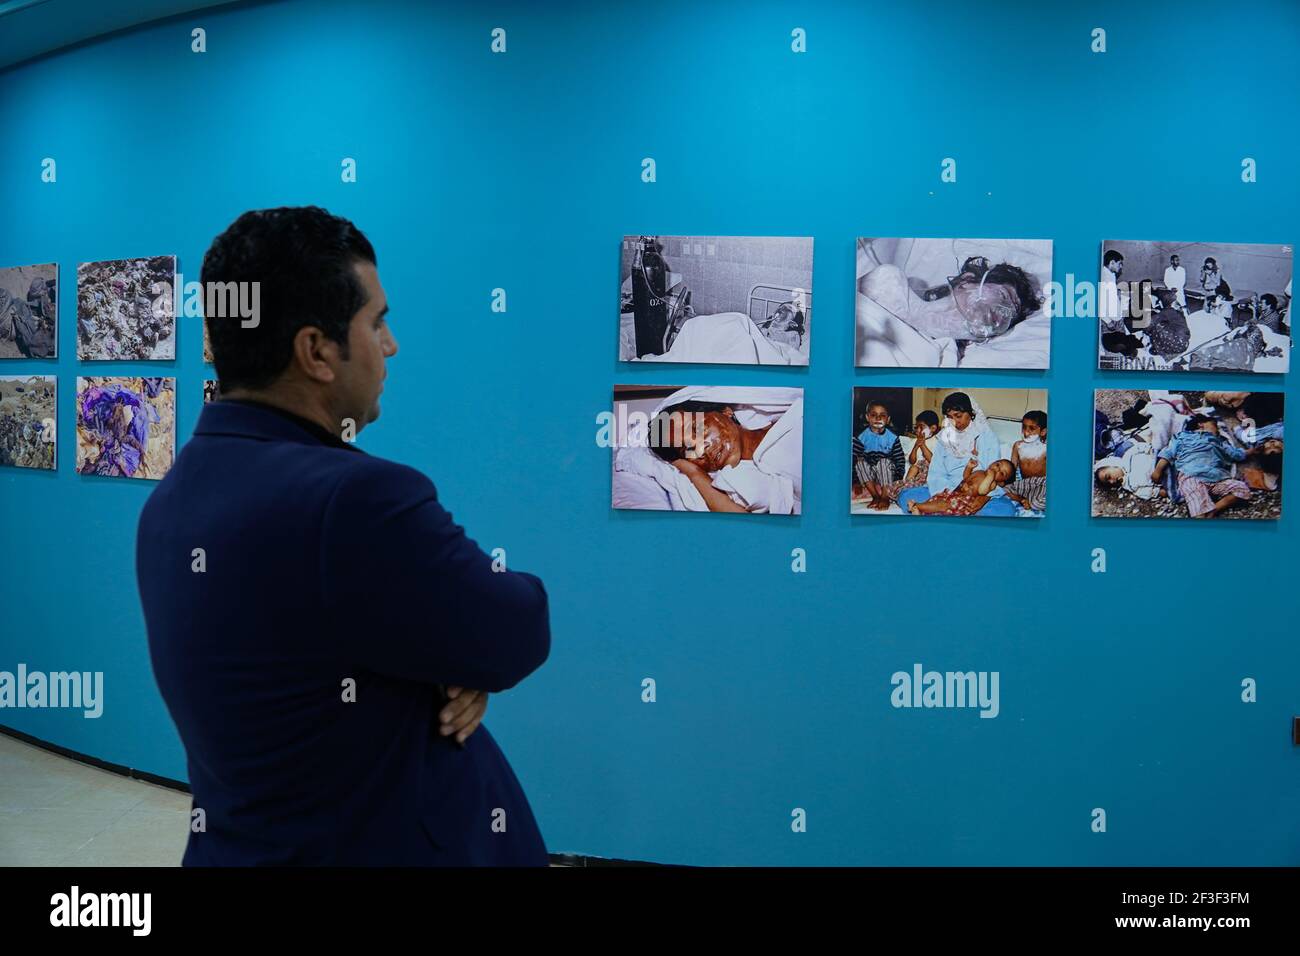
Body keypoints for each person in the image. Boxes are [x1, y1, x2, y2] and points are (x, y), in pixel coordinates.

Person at [136, 207, 552, 865]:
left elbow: (308, 661)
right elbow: (519, 628)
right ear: (317, 351)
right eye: (377, 322)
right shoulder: (355, 501)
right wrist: (461, 658)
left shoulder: (170, 501)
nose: (390, 345)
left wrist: (447, 658)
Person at [648, 398, 803, 514]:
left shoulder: (799, 416)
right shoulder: (742, 481)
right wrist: (693, 472)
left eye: (697, 428)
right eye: (689, 449)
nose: (702, 448)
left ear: (726, 412)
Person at [896, 392, 1017, 516]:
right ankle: (947, 512)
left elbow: (995, 475)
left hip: (978, 492)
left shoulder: (987, 437)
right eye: (949, 417)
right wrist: (948, 494)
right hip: (945, 489)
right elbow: (936, 472)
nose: (954, 421)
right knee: (906, 496)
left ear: (970, 413)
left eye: (958, 416)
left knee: (1005, 510)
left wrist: (983, 499)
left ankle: (943, 515)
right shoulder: (944, 438)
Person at [1150, 414, 1265, 518]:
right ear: (1201, 425)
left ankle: (1214, 510)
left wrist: (1252, 451)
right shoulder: (1183, 437)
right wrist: (1158, 470)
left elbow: (1236, 454)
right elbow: (1168, 452)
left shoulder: (1219, 442)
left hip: (1217, 479)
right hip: (1192, 476)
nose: (1218, 430)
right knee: (1199, 509)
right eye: (1215, 425)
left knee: (1242, 489)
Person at [908, 458, 1014, 515]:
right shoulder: (980, 471)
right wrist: (969, 467)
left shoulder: (992, 483)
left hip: (964, 501)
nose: (997, 470)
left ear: (1002, 481)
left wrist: (990, 477)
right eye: (998, 465)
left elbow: (982, 491)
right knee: (936, 500)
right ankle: (921, 513)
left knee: (944, 506)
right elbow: (966, 477)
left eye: (1002, 473)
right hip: (955, 493)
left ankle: (917, 506)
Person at [852, 401, 905, 510]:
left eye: (882, 415)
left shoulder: (893, 438)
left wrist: (897, 479)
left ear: (888, 419)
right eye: (873, 415)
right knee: (860, 462)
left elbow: (900, 460)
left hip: (888, 474)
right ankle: (875, 496)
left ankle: (885, 497)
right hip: (870, 476)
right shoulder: (861, 437)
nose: (878, 418)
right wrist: (856, 481)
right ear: (867, 417)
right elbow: (852, 459)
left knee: (883, 462)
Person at [1005, 410, 1047, 512]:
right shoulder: (1018, 446)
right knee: (1000, 491)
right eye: (1024, 427)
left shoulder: (1046, 448)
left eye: (1031, 428)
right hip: (1025, 484)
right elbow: (1012, 469)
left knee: (1036, 503)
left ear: (1043, 431)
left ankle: (1030, 501)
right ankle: (1022, 499)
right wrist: (1007, 485)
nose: (1026, 432)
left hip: (1041, 483)